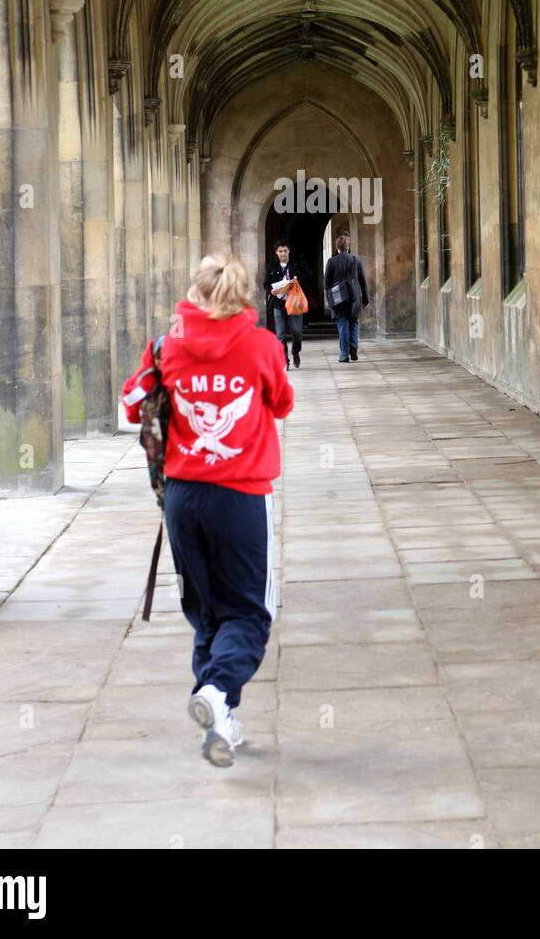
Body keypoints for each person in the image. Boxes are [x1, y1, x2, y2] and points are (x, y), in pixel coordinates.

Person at [121, 255, 293, 768]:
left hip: (183, 496)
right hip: (240, 496)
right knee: (250, 613)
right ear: (243, 297)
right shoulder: (262, 344)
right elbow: (281, 403)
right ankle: (218, 691)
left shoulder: (167, 347)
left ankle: (219, 719)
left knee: (207, 613)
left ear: (195, 292)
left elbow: (133, 403)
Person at [324, 230, 370, 362]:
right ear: (348, 247)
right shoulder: (356, 260)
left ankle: (344, 353)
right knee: (354, 323)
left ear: (337, 247)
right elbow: (363, 281)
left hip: (339, 298)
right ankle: (353, 348)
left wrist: (330, 299)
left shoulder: (331, 261)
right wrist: (366, 298)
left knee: (343, 323)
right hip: (354, 297)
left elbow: (326, 283)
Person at [264, 239, 308, 369]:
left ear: (289, 251)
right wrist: (271, 291)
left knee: (297, 331)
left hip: (294, 303)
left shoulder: (297, 265)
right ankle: (284, 360)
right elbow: (266, 283)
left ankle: (295, 351)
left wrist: (298, 292)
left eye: (285, 251)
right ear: (276, 252)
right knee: (281, 334)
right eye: (280, 251)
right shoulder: (272, 266)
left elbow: (305, 281)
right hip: (279, 303)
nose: (283, 254)